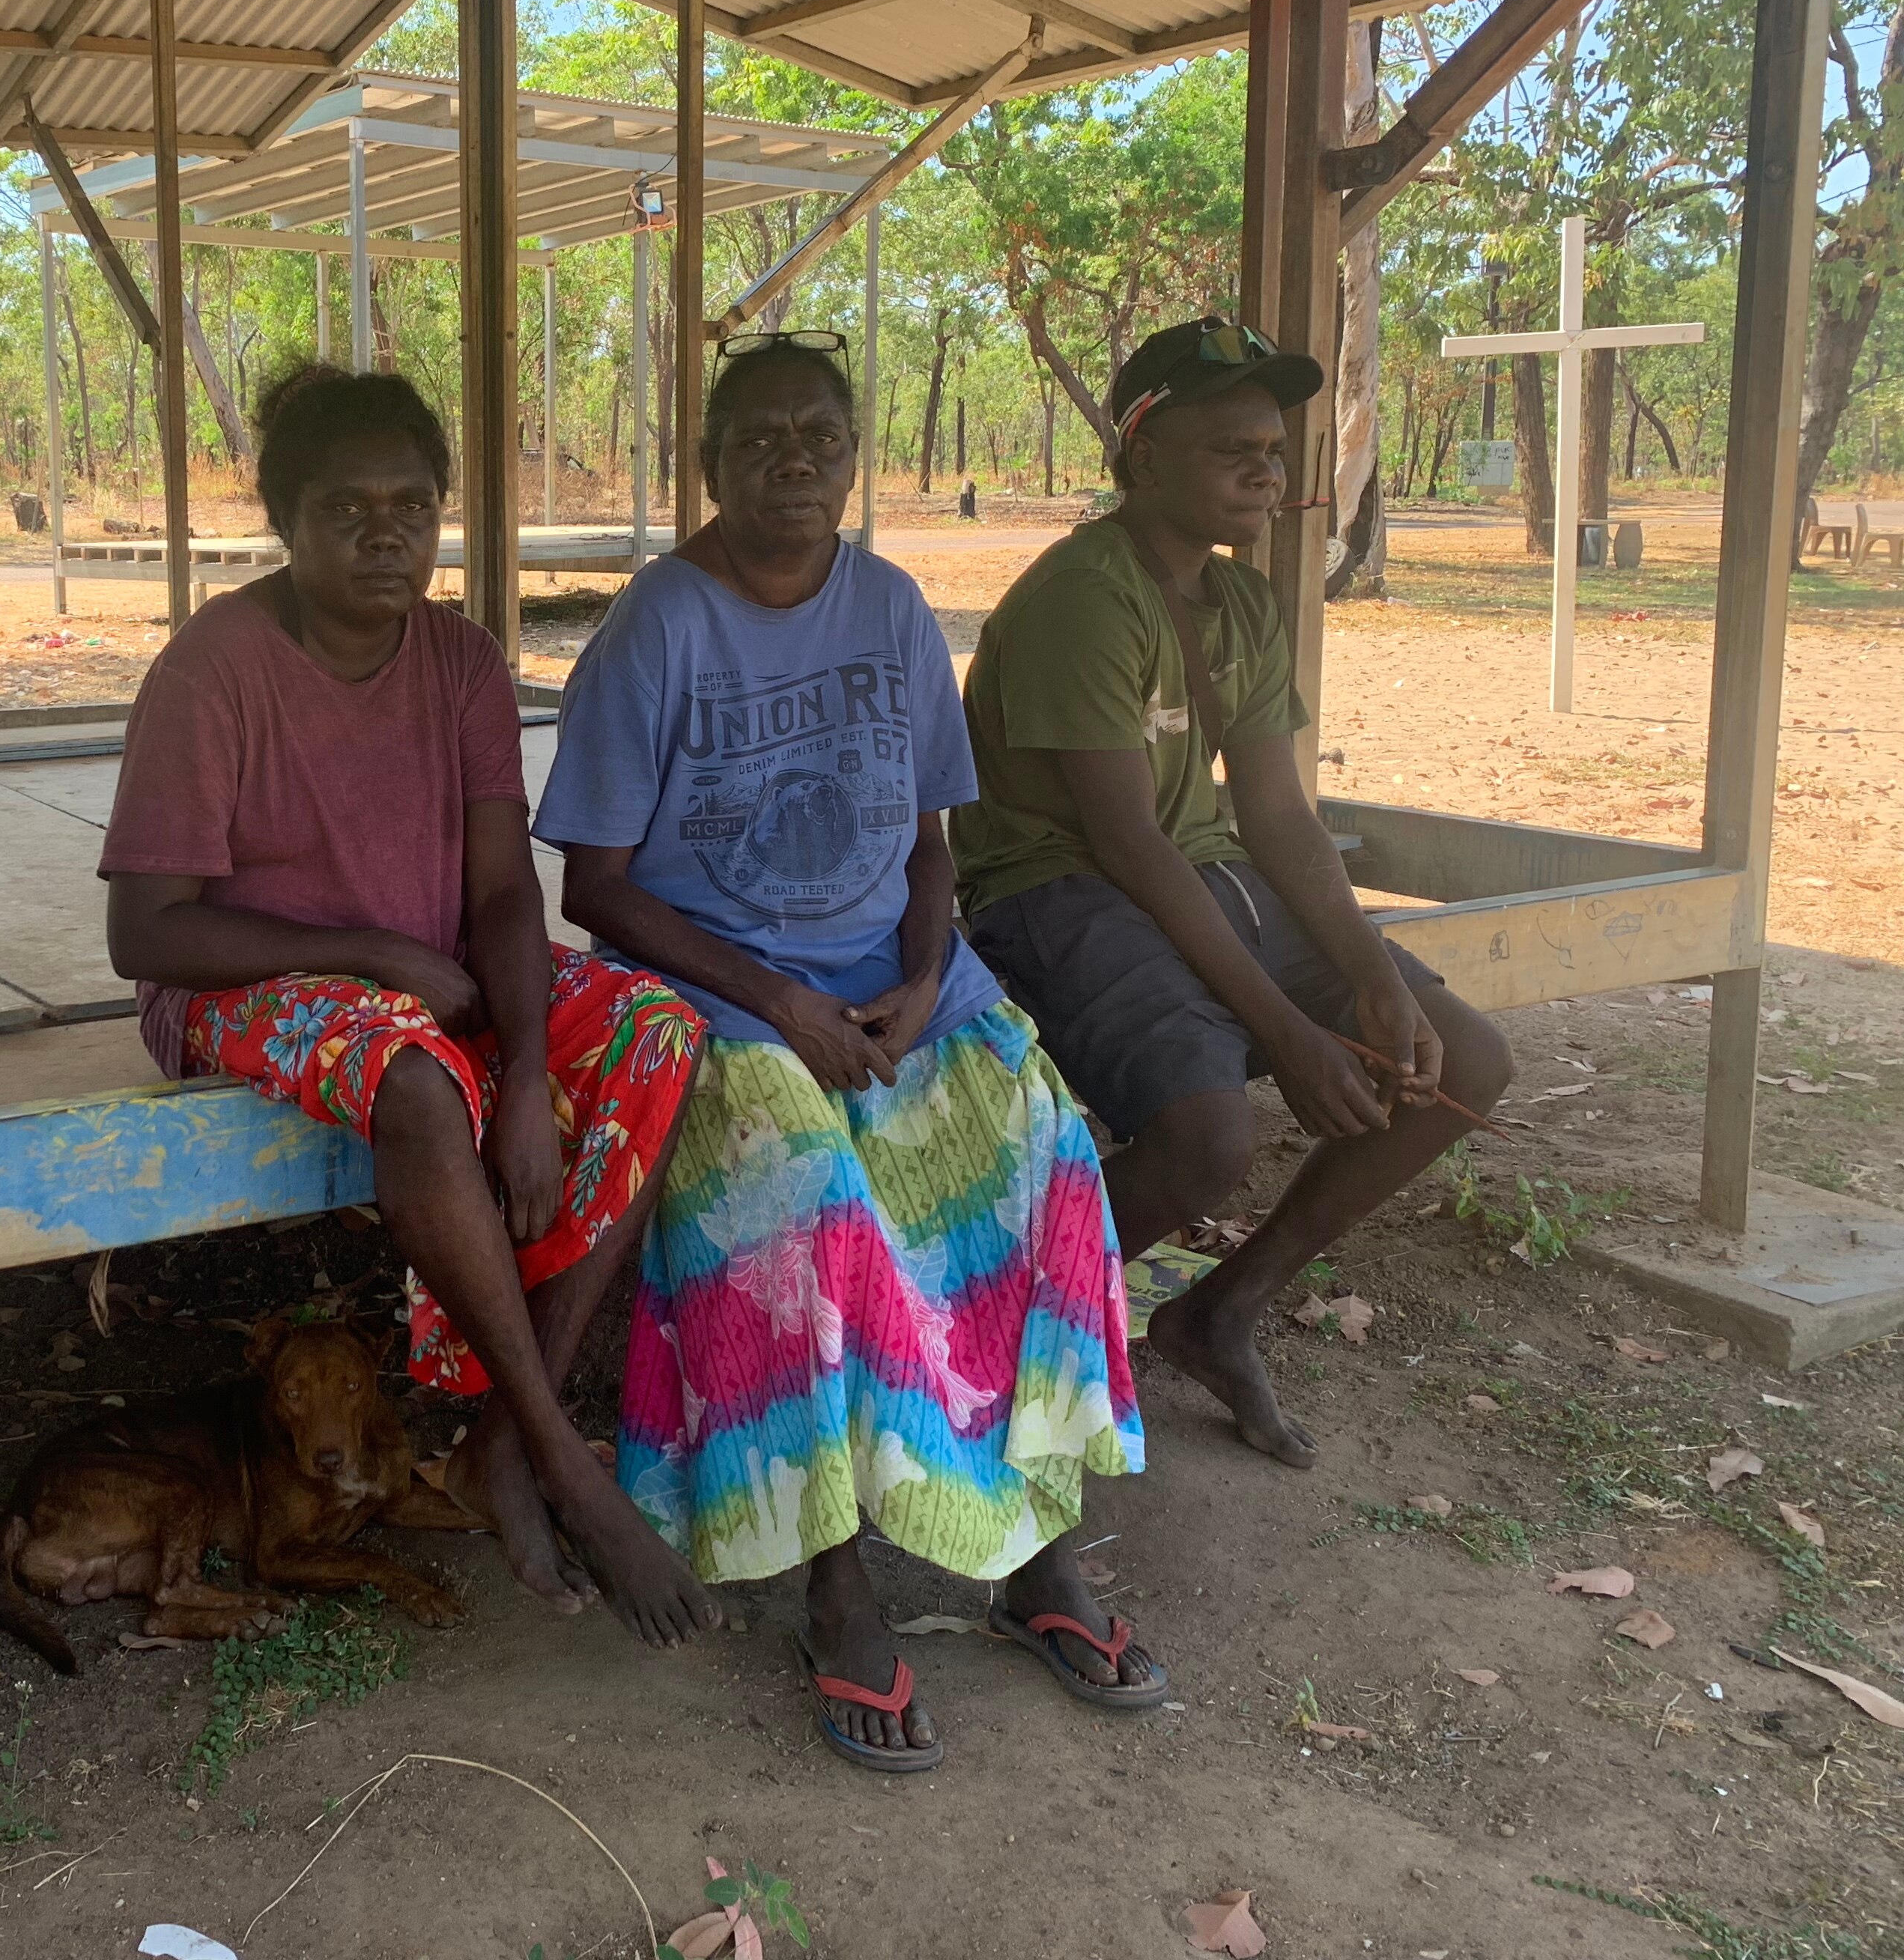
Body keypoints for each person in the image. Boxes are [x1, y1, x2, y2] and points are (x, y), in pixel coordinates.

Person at [537, 332, 1153, 1776]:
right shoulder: (658, 629)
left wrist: (926, 971)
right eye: (760, 439)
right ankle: (837, 1580)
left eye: (822, 436)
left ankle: (1036, 1555)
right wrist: (782, 999)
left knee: (1044, 1147)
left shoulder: (892, 607)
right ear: (709, 462)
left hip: (896, 979)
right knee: (805, 1188)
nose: (794, 463)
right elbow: (599, 889)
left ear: (856, 452)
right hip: (722, 991)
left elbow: (932, 845)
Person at [100, 361, 718, 1649]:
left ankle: (501, 1436)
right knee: (419, 1072)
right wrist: (375, 950)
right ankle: (564, 1462)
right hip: (239, 987)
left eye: (413, 504)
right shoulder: (214, 667)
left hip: (421, 977)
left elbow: (503, 895)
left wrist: (539, 1077)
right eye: (346, 507)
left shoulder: (463, 661)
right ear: (285, 516)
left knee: (659, 1027)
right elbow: (143, 931)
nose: (386, 534)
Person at [954, 317, 1515, 1472]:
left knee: (1463, 1059)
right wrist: (1291, 1035)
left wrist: (1368, 979)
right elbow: (1127, 846)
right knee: (1208, 1142)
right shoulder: (1081, 598)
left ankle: (1220, 1310)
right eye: (1230, 450)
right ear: (1142, 456)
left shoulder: (1246, 610)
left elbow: (1278, 820)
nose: (1264, 472)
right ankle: (984, 1338)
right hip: (1054, 886)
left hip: (1202, 876)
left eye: (1273, 450)